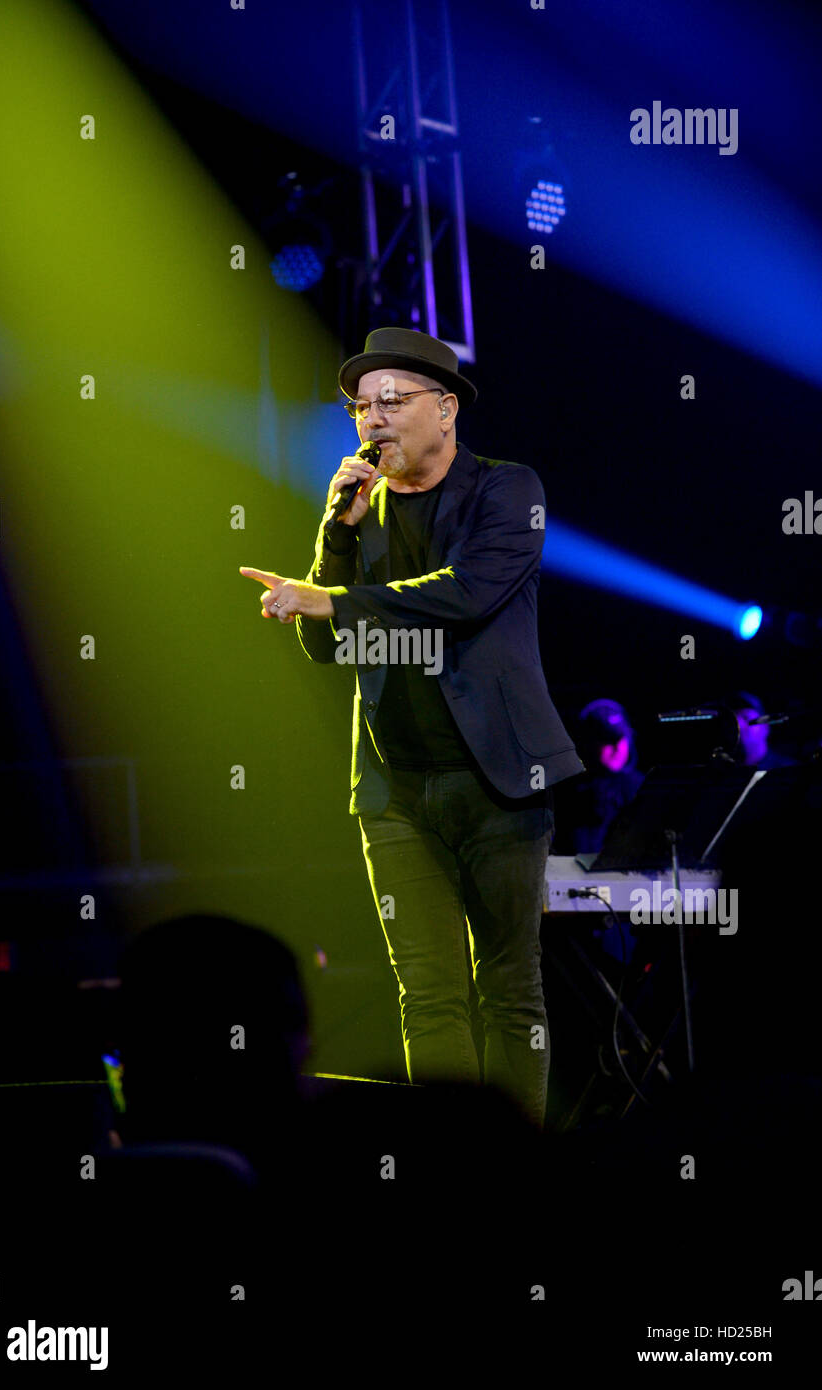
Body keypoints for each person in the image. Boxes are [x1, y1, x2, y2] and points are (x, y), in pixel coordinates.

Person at [240, 326, 583, 1125]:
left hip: (499, 781)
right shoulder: (361, 512)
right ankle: (448, 1177)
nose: (373, 420)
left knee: (509, 988)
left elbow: (466, 595)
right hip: (394, 789)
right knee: (426, 995)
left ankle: (515, 1165)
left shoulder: (506, 490)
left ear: (446, 408)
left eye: (391, 401)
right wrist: (334, 535)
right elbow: (327, 646)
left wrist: (332, 597)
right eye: (361, 408)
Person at [554, 697, 644, 855]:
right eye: (608, 739)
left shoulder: (640, 787)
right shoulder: (566, 790)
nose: (617, 747)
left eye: (620, 738)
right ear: (587, 743)